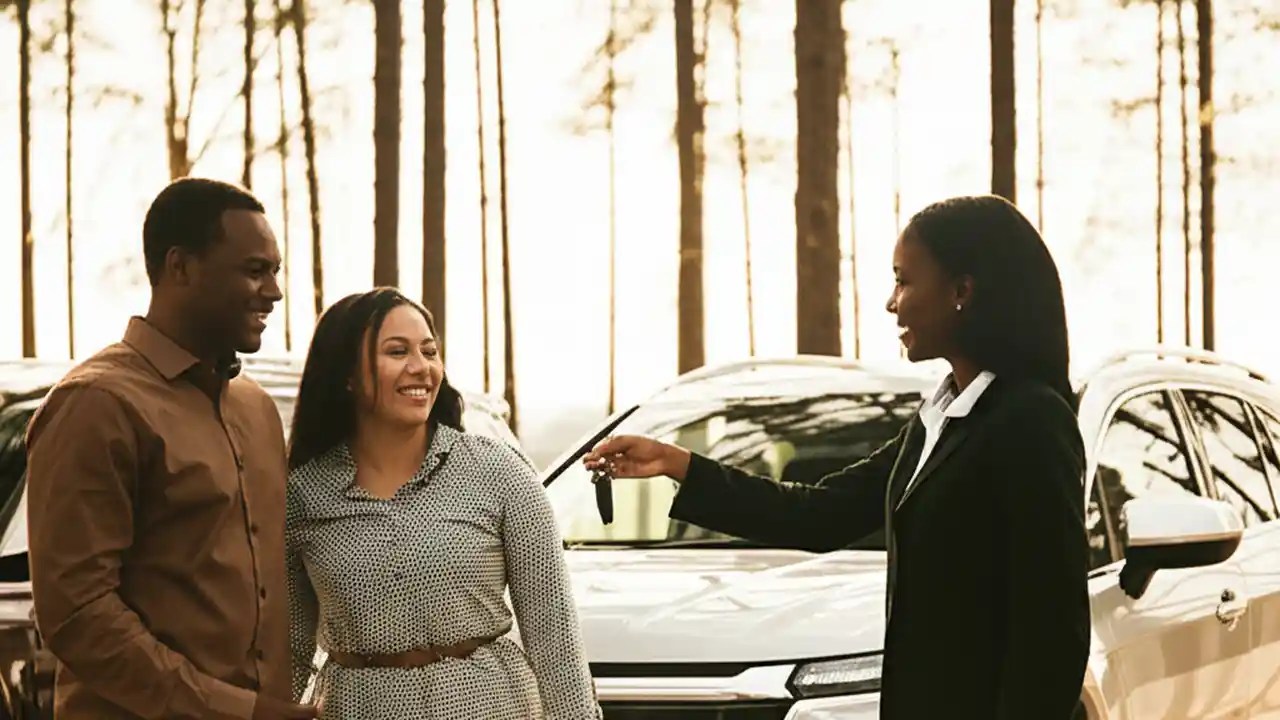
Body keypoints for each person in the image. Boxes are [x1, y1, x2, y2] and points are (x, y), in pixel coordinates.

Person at [586, 195, 1090, 719]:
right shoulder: (940, 421)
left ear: (961, 291)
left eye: (904, 280)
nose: (891, 303)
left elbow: (1052, 629)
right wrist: (678, 464)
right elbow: (820, 514)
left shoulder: (1030, 421)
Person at [25, 178, 316, 719]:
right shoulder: (97, 404)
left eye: (276, 272)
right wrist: (235, 710)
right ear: (180, 267)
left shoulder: (255, 410)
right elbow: (78, 615)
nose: (274, 292)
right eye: (255, 270)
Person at [285, 287, 601, 719]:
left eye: (429, 351)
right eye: (397, 352)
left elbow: (554, 635)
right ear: (347, 374)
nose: (421, 368)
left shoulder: (498, 471)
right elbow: (290, 645)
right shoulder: (302, 494)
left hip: (488, 707)